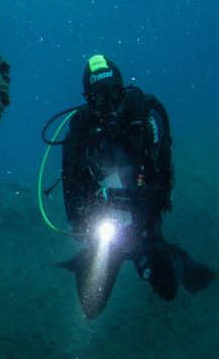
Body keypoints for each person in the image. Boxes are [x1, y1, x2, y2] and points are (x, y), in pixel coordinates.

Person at [57, 54, 215, 318]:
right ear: (88, 98)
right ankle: (101, 259)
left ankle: (175, 259)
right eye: (98, 97)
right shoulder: (79, 134)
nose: (107, 104)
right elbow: (71, 201)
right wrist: (93, 210)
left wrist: (136, 206)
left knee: (167, 289)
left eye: (112, 94)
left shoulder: (145, 117)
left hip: (144, 220)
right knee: (90, 307)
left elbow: (162, 184)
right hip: (103, 226)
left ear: (122, 89)